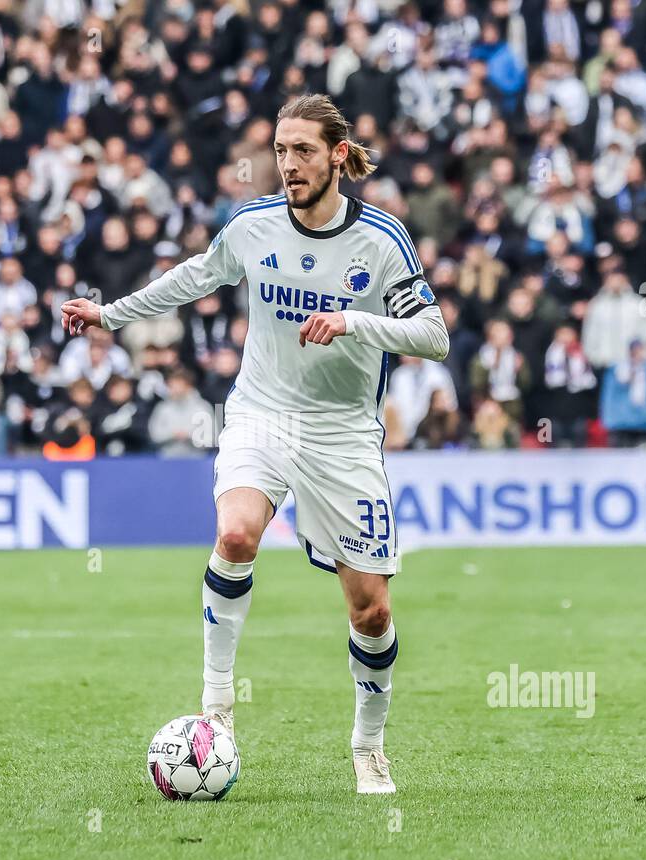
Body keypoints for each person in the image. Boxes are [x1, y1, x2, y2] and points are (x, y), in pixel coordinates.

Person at [61, 94, 448, 794]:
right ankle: (217, 708)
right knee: (236, 535)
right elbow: (194, 276)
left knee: (372, 610)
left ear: (337, 154)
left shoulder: (382, 241)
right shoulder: (252, 225)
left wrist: (357, 323)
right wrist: (109, 315)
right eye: (279, 150)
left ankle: (368, 745)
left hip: (342, 433)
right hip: (262, 414)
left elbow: (435, 336)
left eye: (302, 150)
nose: (288, 164)